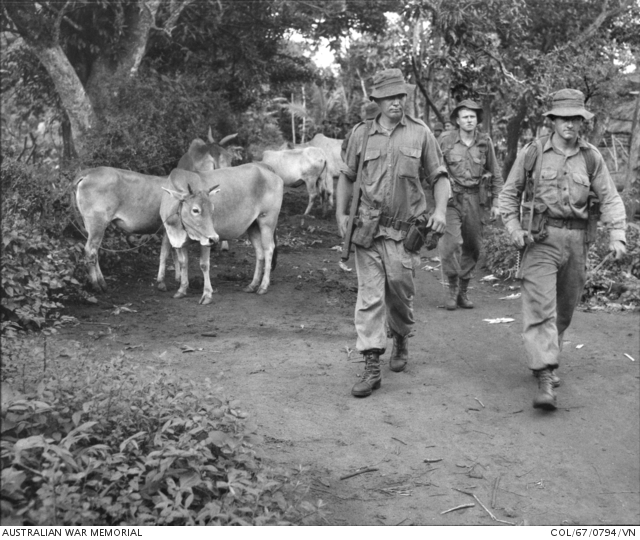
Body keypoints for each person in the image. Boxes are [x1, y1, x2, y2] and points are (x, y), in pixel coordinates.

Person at [498, 89, 627, 411]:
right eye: (563, 118)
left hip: (578, 241)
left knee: (564, 310)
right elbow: (508, 194)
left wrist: (618, 234)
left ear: (582, 121)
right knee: (541, 307)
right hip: (541, 240)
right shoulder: (534, 153)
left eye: (575, 118)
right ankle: (545, 373)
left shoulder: (591, 157)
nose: (569, 124)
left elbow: (609, 197)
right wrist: (514, 229)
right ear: (552, 120)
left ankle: (547, 355)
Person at [336, 68, 450, 398]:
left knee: (400, 291)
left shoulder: (420, 133)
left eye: (400, 96)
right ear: (378, 101)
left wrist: (440, 210)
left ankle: (400, 334)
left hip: (404, 231)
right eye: (389, 97)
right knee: (369, 296)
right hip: (367, 231)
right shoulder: (361, 135)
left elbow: (439, 177)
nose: (396, 102)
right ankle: (372, 364)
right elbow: (346, 175)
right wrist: (341, 214)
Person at [438, 99, 504, 309]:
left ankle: (463, 291)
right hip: (451, 198)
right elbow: (433, 169)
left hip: (476, 198)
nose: (469, 120)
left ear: (477, 120)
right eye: (465, 116)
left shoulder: (485, 142)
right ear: (457, 120)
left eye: (472, 116)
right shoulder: (445, 141)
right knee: (451, 245)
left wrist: (496, 201)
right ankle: (452, 287)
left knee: (473, 246)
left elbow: (496, 172)